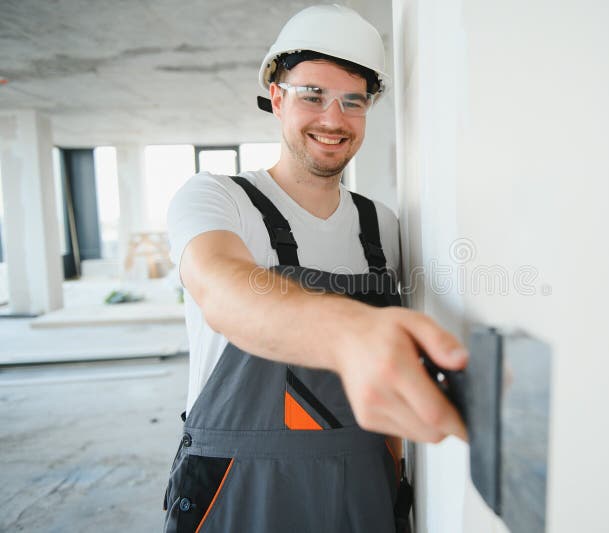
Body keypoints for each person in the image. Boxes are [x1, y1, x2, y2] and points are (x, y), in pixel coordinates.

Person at [162, 4, 468, 532]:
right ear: (277, 98)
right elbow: (223, 289)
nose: (334, 119)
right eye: (313, 96)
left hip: (365, 490)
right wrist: (349, 334)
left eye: (354, 101)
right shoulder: (216, 198)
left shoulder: (384, 226)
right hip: (240, 489)